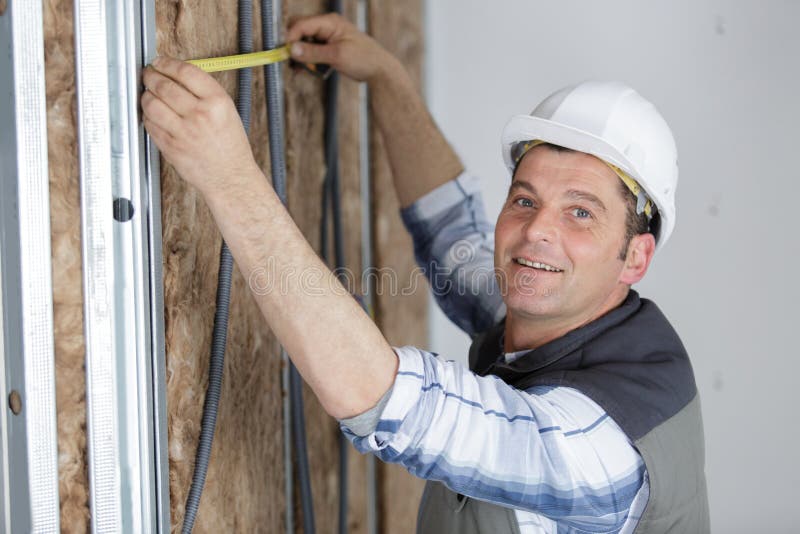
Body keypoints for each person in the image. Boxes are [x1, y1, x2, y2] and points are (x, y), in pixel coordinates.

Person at [141, 13, 709, 533]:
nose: (537, 231)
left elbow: (386, 399)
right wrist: (385, 77)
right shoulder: (563, 315)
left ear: (635, 256)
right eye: (525, 200)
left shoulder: (598, 449)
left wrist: (228, 176)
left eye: (581, 212)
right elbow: (454, 239)